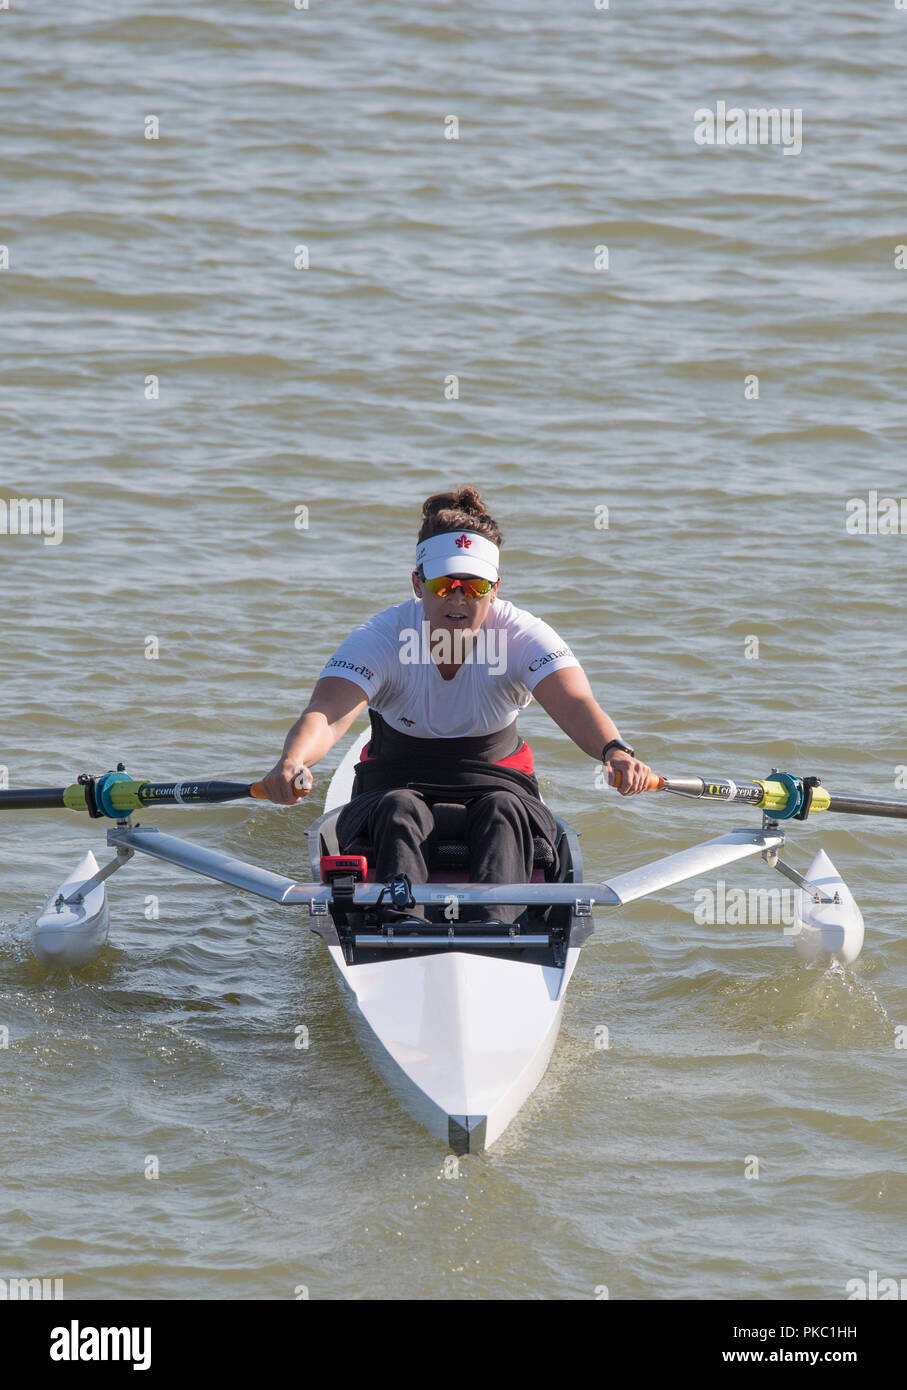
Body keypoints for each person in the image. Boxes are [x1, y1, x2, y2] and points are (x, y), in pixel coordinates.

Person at [260, 487, 652, 918]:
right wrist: (293, 760)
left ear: (496, 588)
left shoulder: (523, 635)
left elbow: (575, 702)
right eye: (445, 585)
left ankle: (498, 927)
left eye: (475, 586)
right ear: (417, 583)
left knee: (503, 810)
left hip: (499, 784)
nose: (459, 599)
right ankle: (399, 924)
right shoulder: (381, 637)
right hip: (394, 782)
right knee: (398, 808)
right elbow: (328, 715)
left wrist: (615, 750)